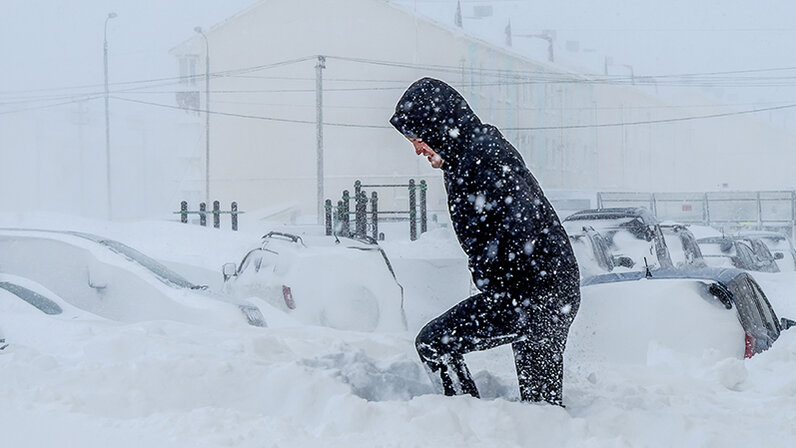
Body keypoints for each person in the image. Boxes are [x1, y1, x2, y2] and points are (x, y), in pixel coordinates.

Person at [389, 77, 580, 406]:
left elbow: (523, 223)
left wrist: (500, 280)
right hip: (541, 290)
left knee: (435, 344)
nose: (417, 148)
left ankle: (466, 421)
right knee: (540, 406)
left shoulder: (481, 160)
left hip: (533, 294)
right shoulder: (469, 155)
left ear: (437, 127)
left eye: (418, 138)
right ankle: (489, 426)